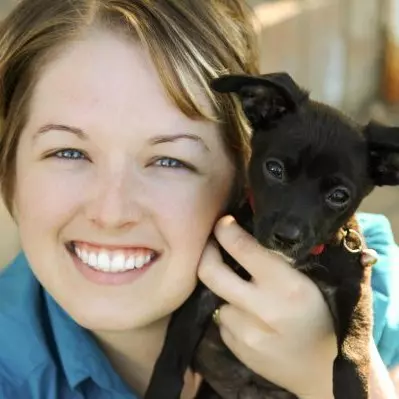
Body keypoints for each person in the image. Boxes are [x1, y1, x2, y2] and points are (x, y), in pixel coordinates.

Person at [0, 0, 398, 398]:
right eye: (68, 152)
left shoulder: (380, 290)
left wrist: (324, 379)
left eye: (169, 160)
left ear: (241, 169)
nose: (111, 212)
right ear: (9, 165)